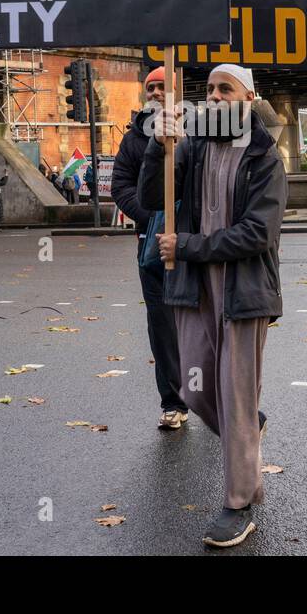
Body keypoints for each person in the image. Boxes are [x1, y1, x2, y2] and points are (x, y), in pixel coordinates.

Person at [138, 64, 287, 549]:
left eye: (227, 89)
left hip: (243, 295)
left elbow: (258, 233)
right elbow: (148, 198)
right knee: (194, 388)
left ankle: (239, 503)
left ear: (248, 97)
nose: (216, 97)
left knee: (235, 396)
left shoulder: (265, 154)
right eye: (210, 90)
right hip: (195, 291)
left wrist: (188, 247)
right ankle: (245, 431)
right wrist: (159, 147)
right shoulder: (194, 145)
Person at [113, 65, 188, 430]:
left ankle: (208, 395)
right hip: (150, 245)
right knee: (162, 325)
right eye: (151, 87)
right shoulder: (133, 138)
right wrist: (154, 215)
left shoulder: (201, 131)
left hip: (192, 246)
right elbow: (120, 186)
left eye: (164, 86)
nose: (157, 92)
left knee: (199, 323)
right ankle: (173, 402)